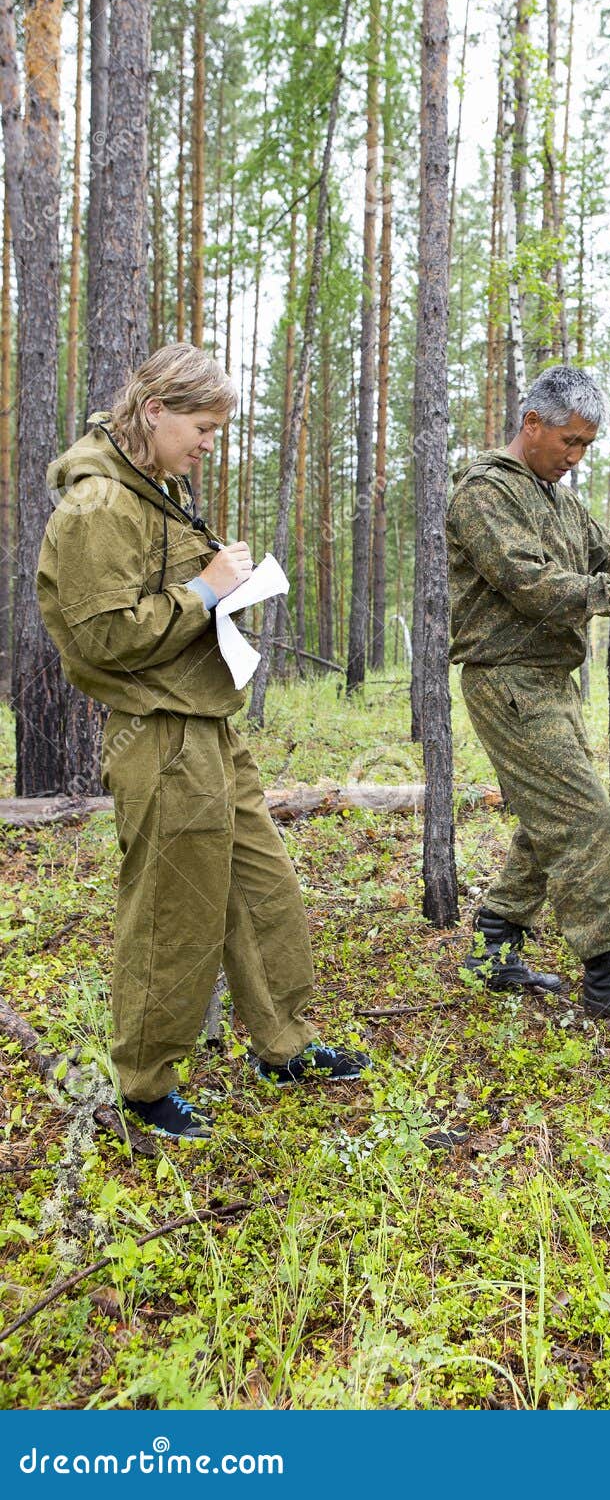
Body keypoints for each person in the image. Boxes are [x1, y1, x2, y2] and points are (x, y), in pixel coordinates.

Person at [37, 344, 369, 1142]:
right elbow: (100, 638)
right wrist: (203, 590)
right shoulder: (95, 504)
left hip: (208, 723)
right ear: (154, 410)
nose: (209, 443)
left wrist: (222, 583)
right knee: (170, 915)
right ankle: (145, 1088)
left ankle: (282, 1046)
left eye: (217, 430)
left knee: (260, 891)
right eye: (202, 425)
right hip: (160, 735)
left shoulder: (157, 487)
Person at [446, 363, 610, 1032]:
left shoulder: (551, 494)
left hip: (547, 679)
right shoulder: (483, 492)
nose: (576, 458)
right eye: (570, 442)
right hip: (505, 679)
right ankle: (605, 974)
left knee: (548, 813)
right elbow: (525, 580)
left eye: (587, 444)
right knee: (583, 818)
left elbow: (603, 549)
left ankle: (493, 942)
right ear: (532, 424)